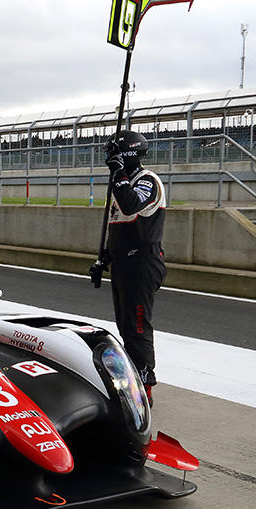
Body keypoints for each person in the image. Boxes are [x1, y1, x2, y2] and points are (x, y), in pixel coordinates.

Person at [89, 129, 166, 404]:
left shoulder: (148, 181)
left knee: (137, 328)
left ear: (128, 154)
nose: (110, 158)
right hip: (124, 264)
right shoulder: (120, 185)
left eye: (114, 154)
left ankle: (145, 388)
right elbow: (117, 227)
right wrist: (104, 259)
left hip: (142, 264)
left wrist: (119, 174)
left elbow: (132, 206)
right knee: (125, 326)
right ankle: (132, 380)